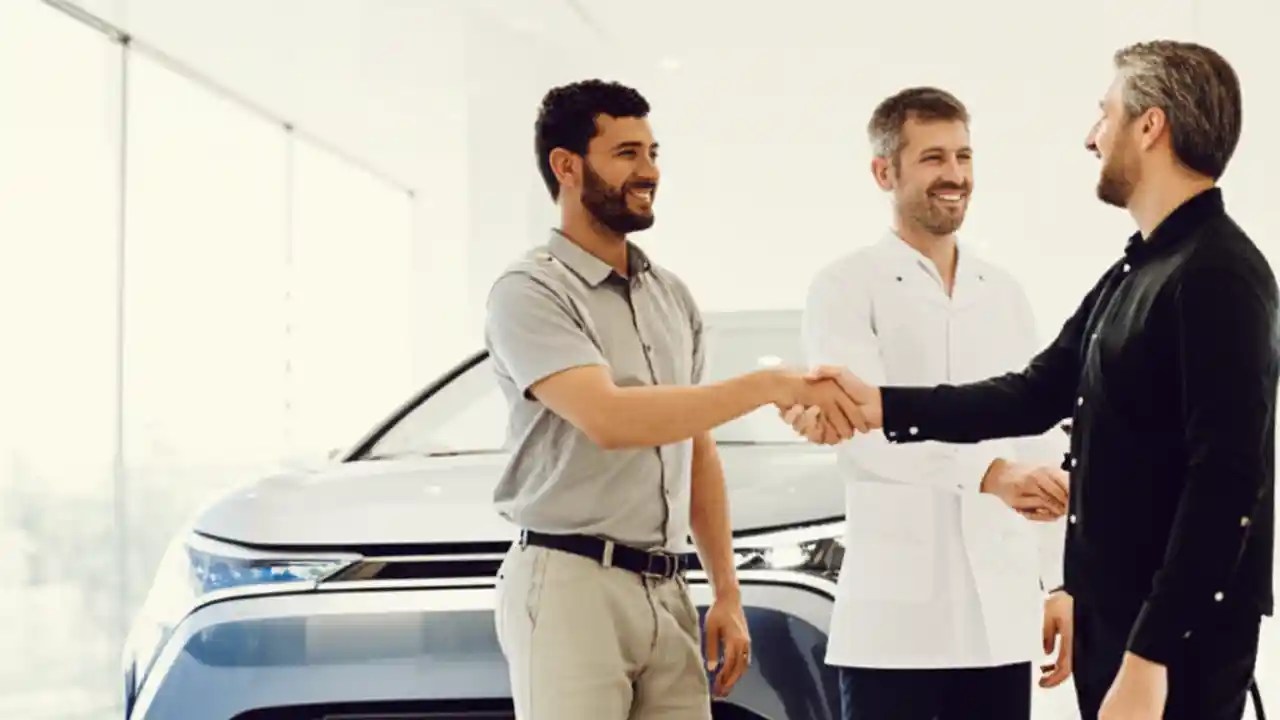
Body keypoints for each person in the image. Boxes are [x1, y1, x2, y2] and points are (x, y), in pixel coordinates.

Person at [791, 41, 1276, 720]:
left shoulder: (1218, 274)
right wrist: (876, 406)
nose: (1090, 136)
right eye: (934, 156)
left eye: (1104, 114)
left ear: (1150, 126)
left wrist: (1148, 655)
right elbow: (1037, 393)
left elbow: (1227, 481)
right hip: (1108, 623)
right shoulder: (1135, 273)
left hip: (1166, 640)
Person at [484, 79, 866, 719]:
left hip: (667, 587)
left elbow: (696, 451)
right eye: (627, 153)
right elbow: (608, 418)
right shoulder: (529, 291)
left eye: (653, 153)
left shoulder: (671, 297)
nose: (650, 171)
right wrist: (768, 385)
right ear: (567, 165)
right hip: (570, 586)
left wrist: (726, 592)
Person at [784, 86, 1074, 720]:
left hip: (998, 618)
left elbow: (1039, 438)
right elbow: (860, 431)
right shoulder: (843, 287)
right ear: (884, 171)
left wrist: (1058, 582)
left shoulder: (1004, 292)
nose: (956, 176)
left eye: (964, 157)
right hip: (895, 627)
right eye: (934, 158)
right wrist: (991, 475)